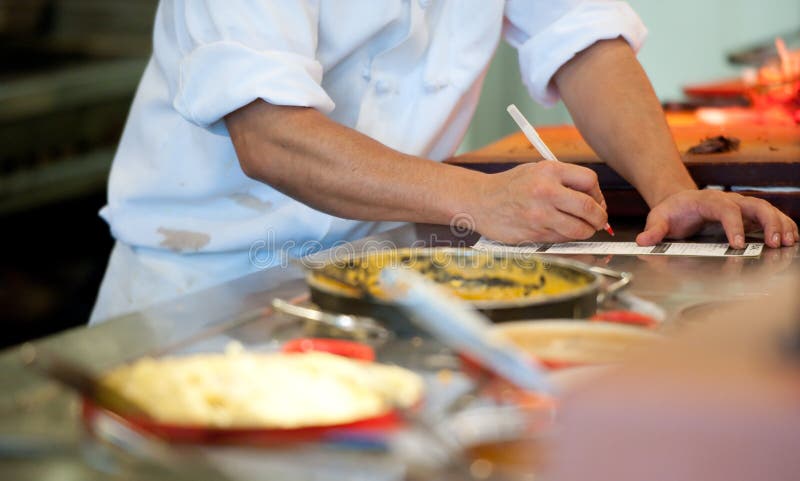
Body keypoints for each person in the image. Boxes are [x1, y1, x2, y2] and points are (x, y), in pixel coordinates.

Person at [90, 0, 798, 323]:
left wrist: (671, 190)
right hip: (208, 286)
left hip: (389, 268)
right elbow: (269, 135)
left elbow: (586, 41)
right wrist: (480, 198)